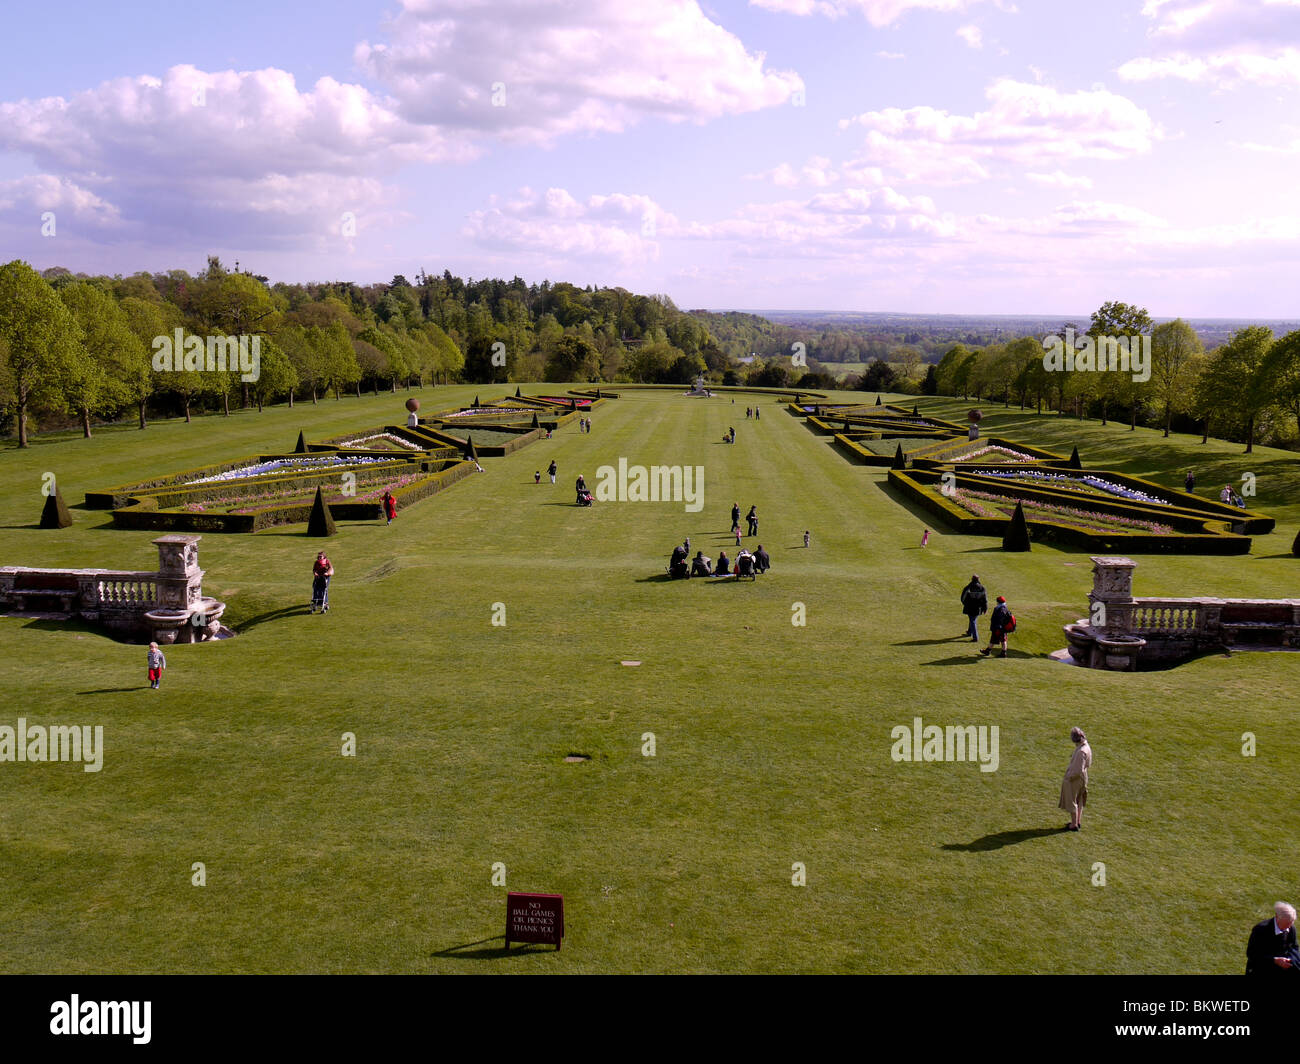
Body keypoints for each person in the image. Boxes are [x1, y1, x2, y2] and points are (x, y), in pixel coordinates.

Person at [1246, 902, 1299, 975]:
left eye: (1291, 923)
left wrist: (1290, 959)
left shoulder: (1290, 928)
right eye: (1287, 923)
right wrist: (1274, 960)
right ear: (1277, 917)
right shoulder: (1261, 930)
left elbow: (1294, 947)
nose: (1289, 927)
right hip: (1261, 969)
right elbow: (1252, 955)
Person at [1057, 727, 1092, 831]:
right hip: (1083, 776)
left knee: (1072, 800)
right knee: (1079, 799)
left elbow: (1078, 770)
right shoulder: (1086, 746)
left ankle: (1073, 824)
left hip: (1076, 779)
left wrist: (1069, 777)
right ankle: (1078, 821)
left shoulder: (1081, 752)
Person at [960, 575, 988, 642]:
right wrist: (985, 608)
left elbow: (963, 598)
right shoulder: (982, 588)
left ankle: (975, 637)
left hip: (969, 607)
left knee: (973, 621)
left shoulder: (968, 587)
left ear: (972, 579)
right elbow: (985, 600)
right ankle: (970, 632)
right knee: (972, 619)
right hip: (978, 608)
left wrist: (965, 604)